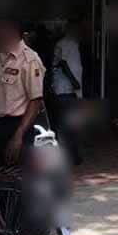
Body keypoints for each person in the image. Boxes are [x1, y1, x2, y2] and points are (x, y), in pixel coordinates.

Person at [0, 16, 46, 166]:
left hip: (17, 126)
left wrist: (18, 136)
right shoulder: (1, 56)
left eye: (1, 28)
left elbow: (35, 100)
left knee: (17, 182)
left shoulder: (29, 59)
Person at [51, 20, 83, 165]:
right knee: (67, 125)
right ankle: (69, 157)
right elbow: (63, 63)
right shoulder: (67, 43)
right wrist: (74, 81)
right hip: (65, 90)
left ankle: (70, 156)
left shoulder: (70, 44)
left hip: (67, 90)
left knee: (68, 125)